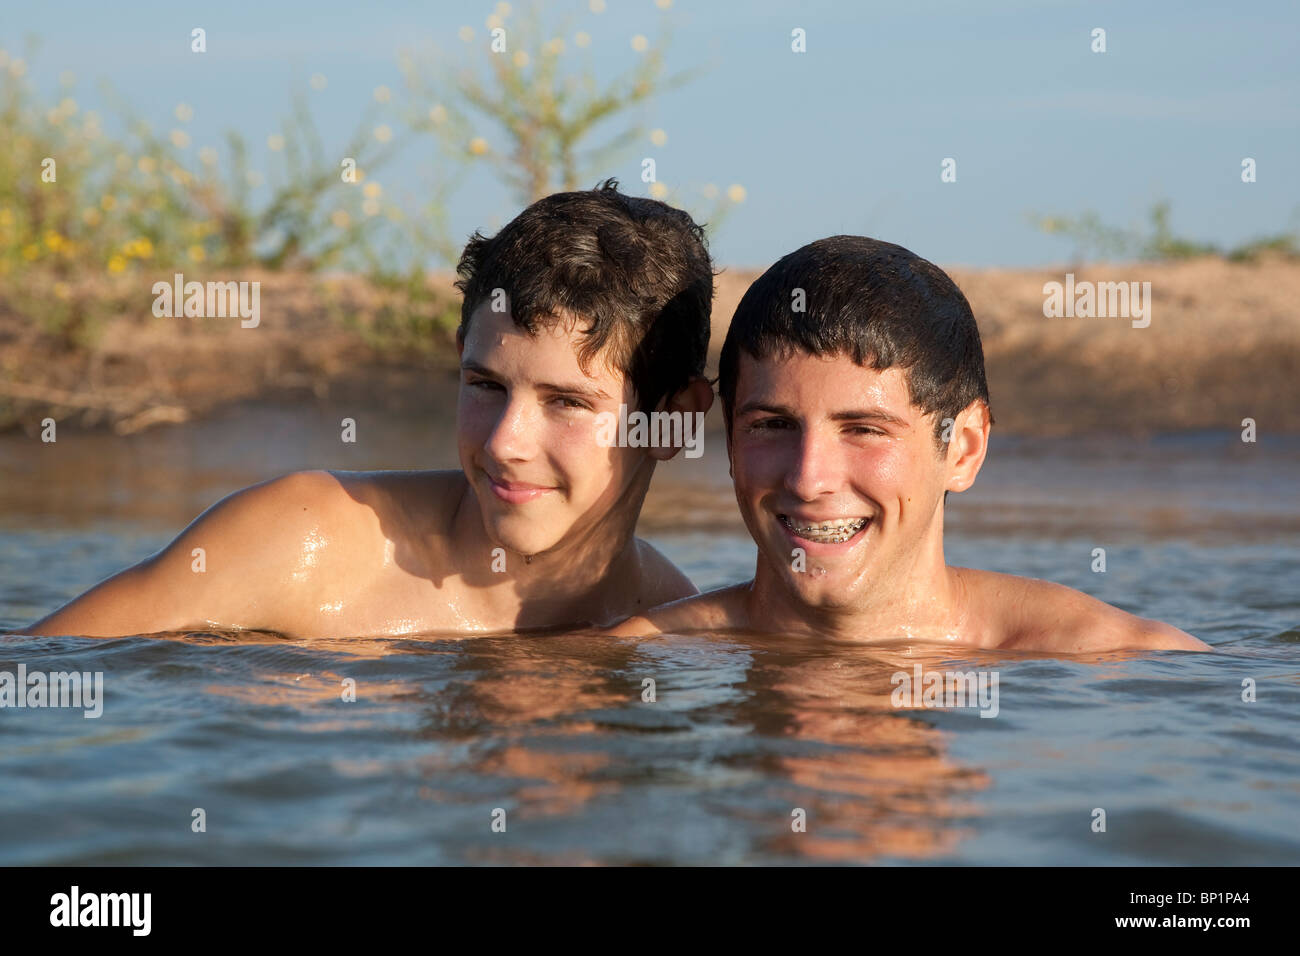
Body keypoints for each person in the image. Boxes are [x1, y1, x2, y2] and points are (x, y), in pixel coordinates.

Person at [24, 180, 715, 639]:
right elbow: (34, 670)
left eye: (567, 402)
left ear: (676, 417)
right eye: (485, 386)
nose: (506, 442)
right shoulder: (308, 542)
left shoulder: (669, 626)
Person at [612, 236, 1211, 653]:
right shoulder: (647, 655)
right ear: (729, 439)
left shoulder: (1114, 663)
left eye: (864, 430)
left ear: (964, 449)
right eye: (772, 426)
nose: (808, 478)